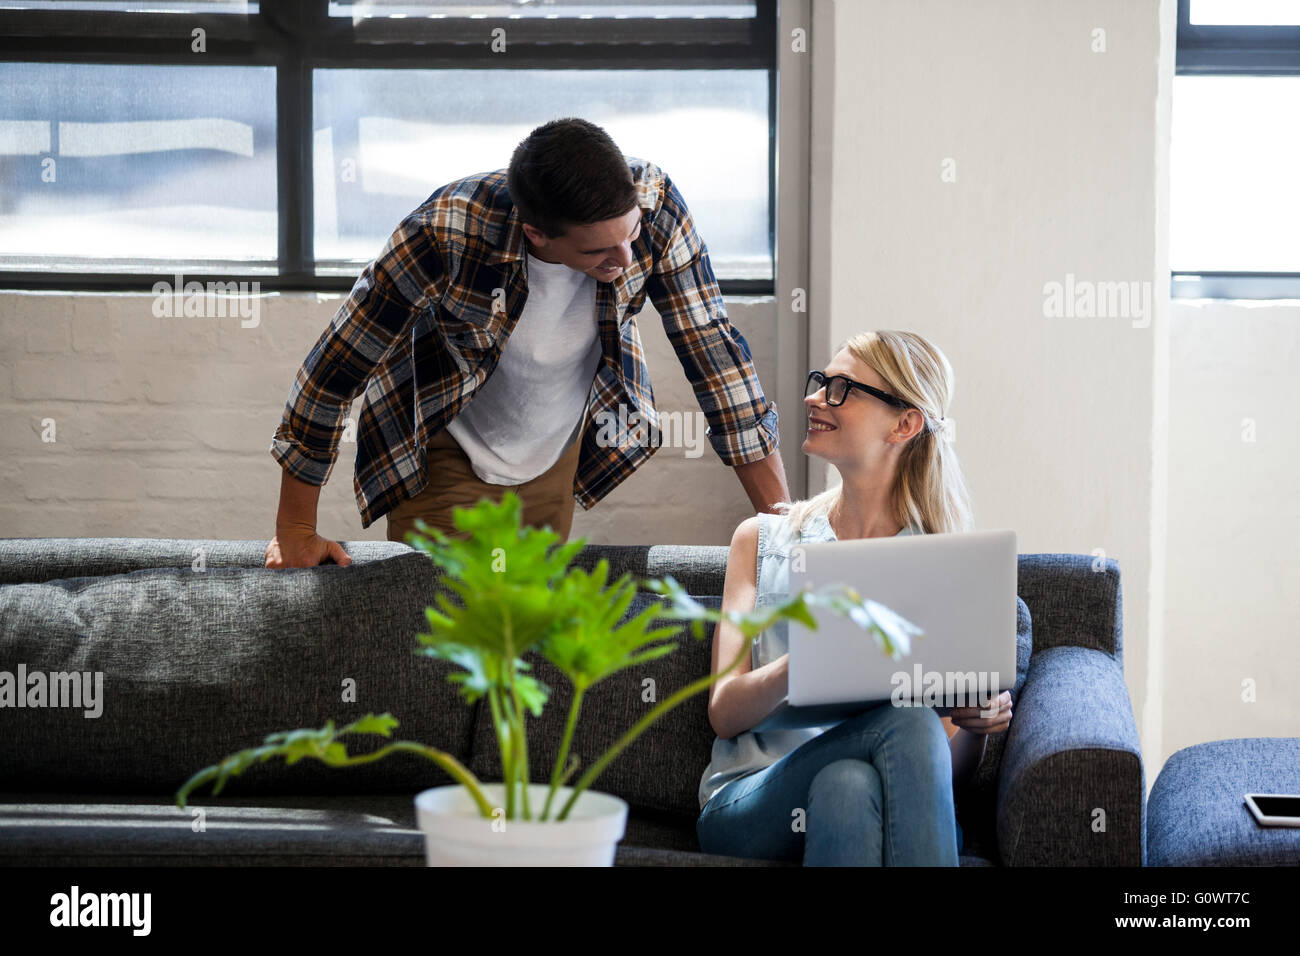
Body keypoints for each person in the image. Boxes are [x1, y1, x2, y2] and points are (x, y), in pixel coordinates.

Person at [265, 117, 789, 569]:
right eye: (599, 250)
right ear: (538, 234)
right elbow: (334, 369)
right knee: (449, 651)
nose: (627, 261)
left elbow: (714, 355)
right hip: (448, 454)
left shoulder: (655, 205)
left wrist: (785, 533)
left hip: (554, 456)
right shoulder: (447, 231)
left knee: (529, 646)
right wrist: (295, 530)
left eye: (629, 237)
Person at [695, 330, 1012, 866]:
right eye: (822, 382)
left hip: (874, 800)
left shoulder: (939, 563)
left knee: (846, 786)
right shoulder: (760, 540)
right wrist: (811, 663)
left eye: (842, 388)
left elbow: (935, 777)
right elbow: (724, 714)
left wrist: (975, 727)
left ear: (904, 423)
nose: (815, 397)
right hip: (751, 800)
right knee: (905, 724)